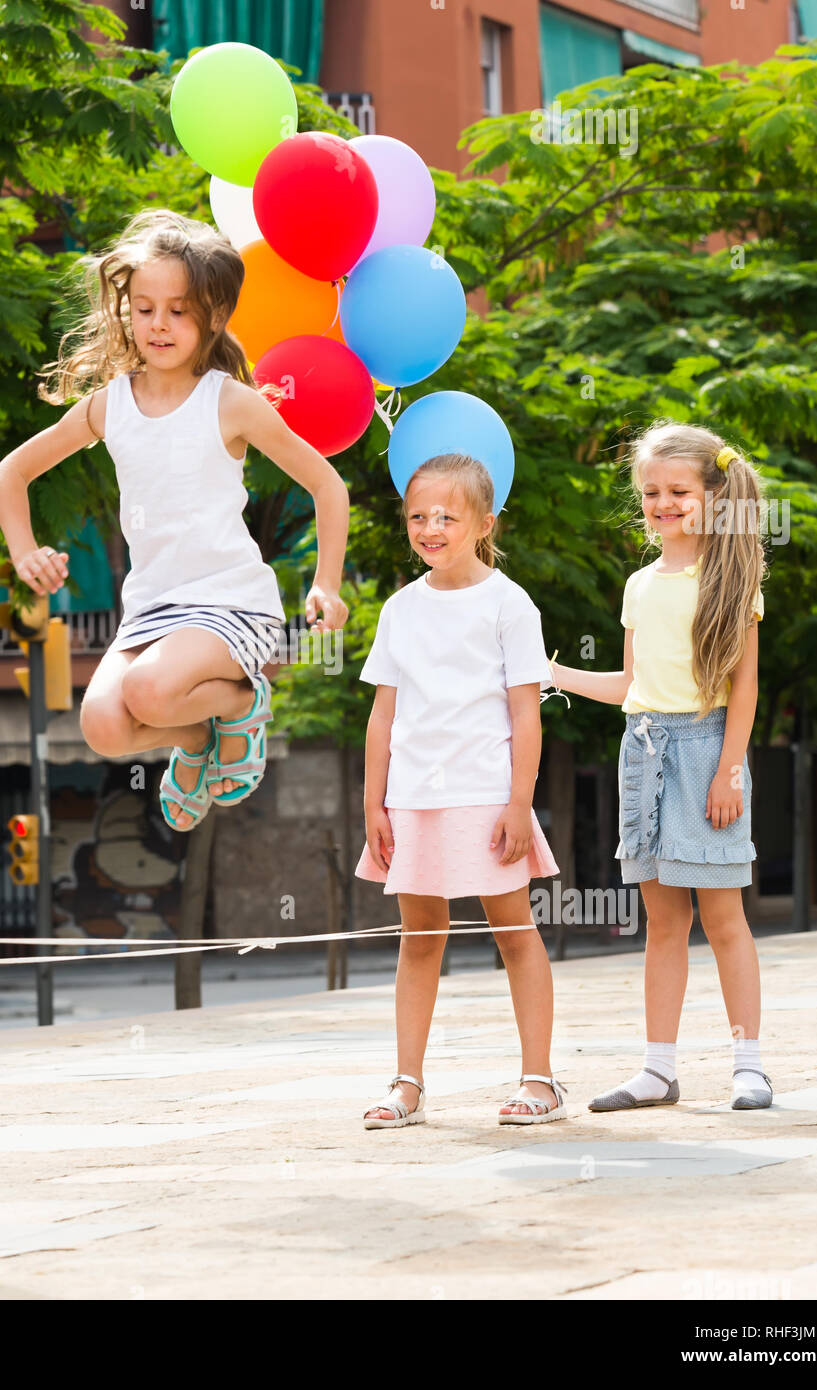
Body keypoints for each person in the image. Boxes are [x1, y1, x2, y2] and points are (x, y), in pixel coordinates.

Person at [0, 209, 349, 832]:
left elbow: (327, 484)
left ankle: (243, 702)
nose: (159, 323)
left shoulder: (230, 402)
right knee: (102, 726)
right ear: (126, 311)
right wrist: (25, 552)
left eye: (179, 311)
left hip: (231, 606)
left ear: (213, 316)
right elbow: (11, 473)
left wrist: (326, 584)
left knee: (147, 692)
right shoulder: (109, 406)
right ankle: (199, 739)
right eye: (145, 308)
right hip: (153, 609)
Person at [551, 422, 770, 1111]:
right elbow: (630, 685)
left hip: (707, 751)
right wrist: (554, 674)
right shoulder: (639, 585)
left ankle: (749, 1066)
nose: (662, 503)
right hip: (643, 753)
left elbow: (744, 689)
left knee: (724, 917)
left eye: (678, 490)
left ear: (713, 495)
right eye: (651, 492)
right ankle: (658, 1070)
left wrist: (729, 770)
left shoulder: (733, 581)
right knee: (663, 922)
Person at [355, 453, 567, 1128]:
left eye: (447, 516)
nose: (430, 528)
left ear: (484, 523)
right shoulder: (399, 608)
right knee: (419, 939)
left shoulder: (510, 603)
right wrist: (374, 803)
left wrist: (518, 803)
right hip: (412, 799)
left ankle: (540, 1081)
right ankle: (407, 1085)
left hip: (486, 795)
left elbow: (526, 713)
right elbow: (383, 715)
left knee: (514, 931)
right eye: (418, 516)